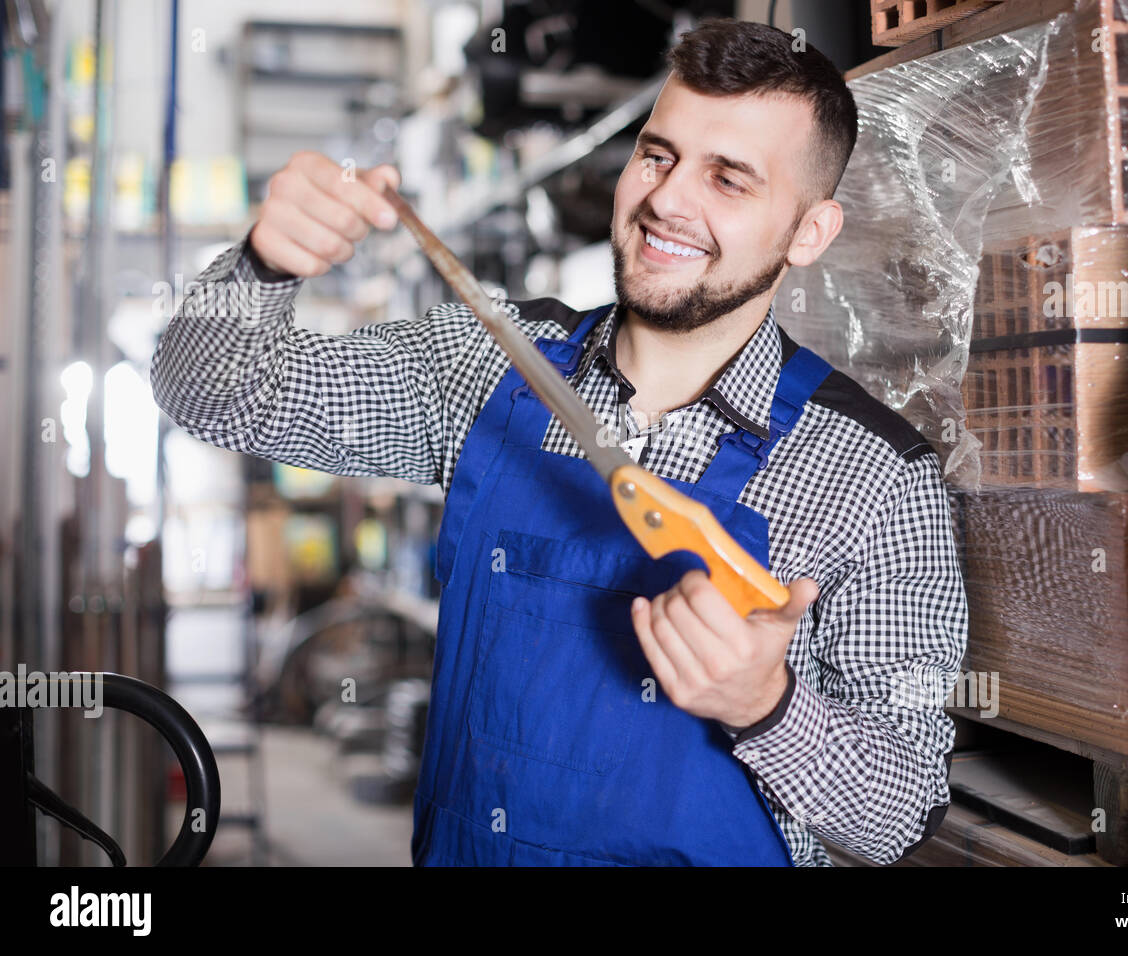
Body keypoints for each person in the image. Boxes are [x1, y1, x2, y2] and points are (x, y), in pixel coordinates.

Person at [151, 18, 968, 867]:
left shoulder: (873, 476)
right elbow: (216, 396)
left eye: (729, 180)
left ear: (809, 233)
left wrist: (768, 704)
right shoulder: (481, 366)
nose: (668, 199)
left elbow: (899, 814)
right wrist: (264, 265)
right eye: (659, 155)